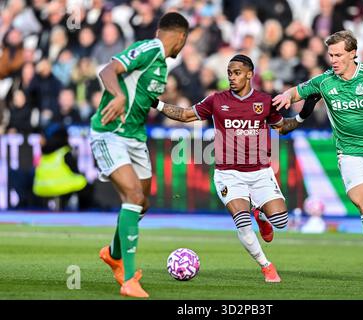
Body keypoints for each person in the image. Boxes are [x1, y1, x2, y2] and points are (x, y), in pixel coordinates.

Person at [150, 54, 320, 282]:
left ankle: (260, 213)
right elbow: (184, 115)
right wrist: (156, 103)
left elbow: (282, 128)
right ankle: (266, 266)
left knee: (281, 222)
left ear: (250, 74)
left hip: (260, 173)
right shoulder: (216, 100)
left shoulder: (264, 101)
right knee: (241, 219)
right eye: (229, 73)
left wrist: (303, 115)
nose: (232, 77)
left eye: (237, 72)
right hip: (228, 174)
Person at [273, 30, 363, 280]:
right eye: (330, 55)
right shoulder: (325, 81)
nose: (333, 59)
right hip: (350, 155)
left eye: (338, 55)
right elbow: (299, 91)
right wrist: (286, 95)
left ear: (353, 53)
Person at [89, 12, 189, 298]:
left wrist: (175, 111)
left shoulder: (161, 67)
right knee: (133, 197)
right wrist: (117, 95)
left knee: (142, 203)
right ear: (181, 37)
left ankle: (113, 254)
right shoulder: (149, 49)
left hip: (135, 138)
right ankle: (129, 280)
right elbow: (107, 71)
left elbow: (146, 97)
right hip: (110, 134)